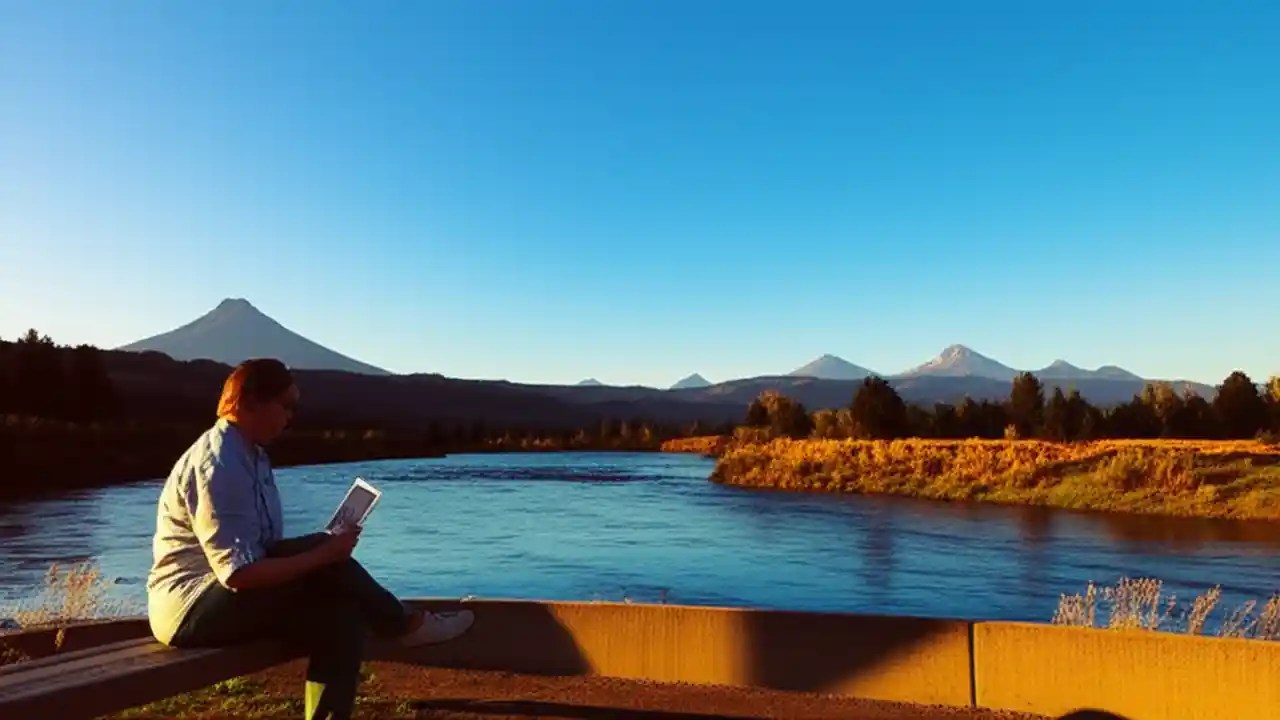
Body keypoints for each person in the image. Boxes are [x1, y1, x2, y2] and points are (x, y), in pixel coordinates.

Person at [147, 358, 473, 720]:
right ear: (250, 402)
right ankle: (405, 624)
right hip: (189, 609)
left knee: (341, 617)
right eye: (285, 405)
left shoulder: (252, 456)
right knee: (330, 564)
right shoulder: (219, 464)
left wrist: (324, 544)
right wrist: (324, 555)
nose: (291, 415)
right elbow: (238, 575)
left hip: (224, 599)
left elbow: (264, 549)